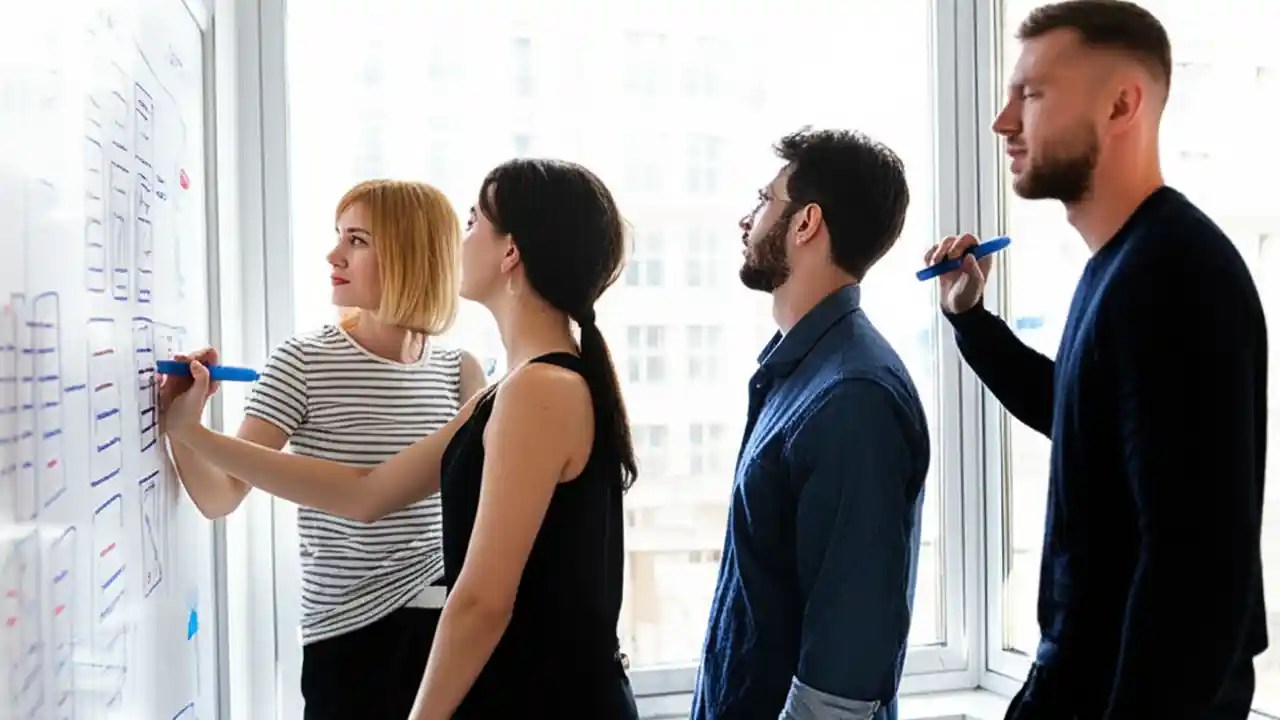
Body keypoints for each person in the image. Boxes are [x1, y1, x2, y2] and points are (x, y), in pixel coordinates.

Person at [162, 158, 640, 719]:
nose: (457, 243)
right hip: (476, 679)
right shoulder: (512, 391)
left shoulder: (538, 390)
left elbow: (482, 602)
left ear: (510, 252)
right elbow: (368, 493)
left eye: (471, 224)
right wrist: (188, 432)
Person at [925, 2, 1268, 717]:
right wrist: (971, 320)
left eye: (1033, 94)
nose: (1003, 123)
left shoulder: (1175, 275)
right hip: (1082, 678)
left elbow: (1196, 571)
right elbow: (1081, 419)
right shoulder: (1126, 265)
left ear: (1121, 105)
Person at [160, 179, 487, 720]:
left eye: (357, 240)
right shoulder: (303, 361)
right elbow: (220, 498)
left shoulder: (460, 371)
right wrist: (185, 427)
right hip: (349, 636)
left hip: (448, 627)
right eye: (339, 236)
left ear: (410, 253)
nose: (333, 254)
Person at [692, 128, 931, 720]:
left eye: (763, 201)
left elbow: (846, 665)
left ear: (805, 224)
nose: (746, 221)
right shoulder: (805, 373)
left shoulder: (852, 396)